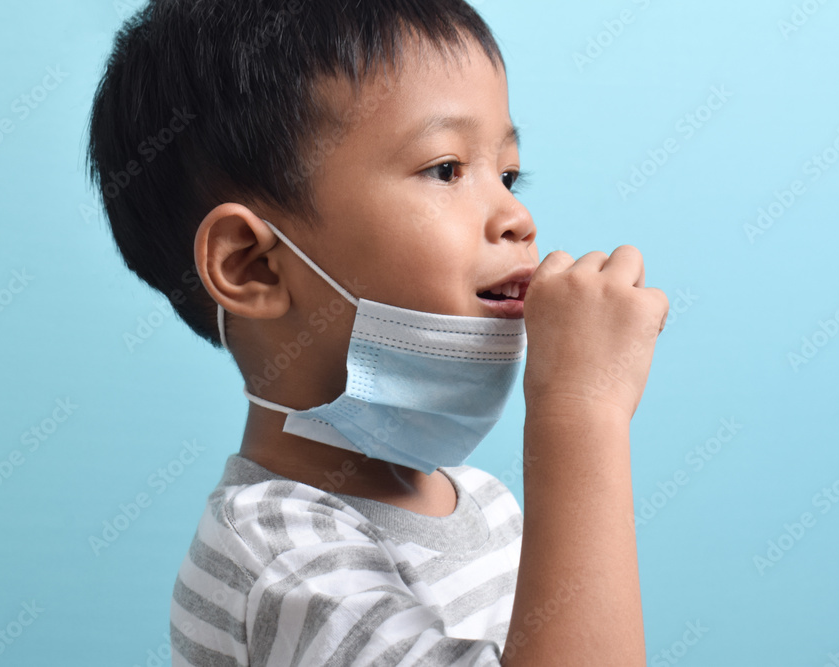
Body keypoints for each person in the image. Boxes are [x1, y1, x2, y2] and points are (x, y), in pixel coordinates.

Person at [87, 1, 669, 664]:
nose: (517, 215)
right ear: (253, 264)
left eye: (507, 174)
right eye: (447, 169)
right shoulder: (281, 551)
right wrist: (580, 413)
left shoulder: (484, 503)